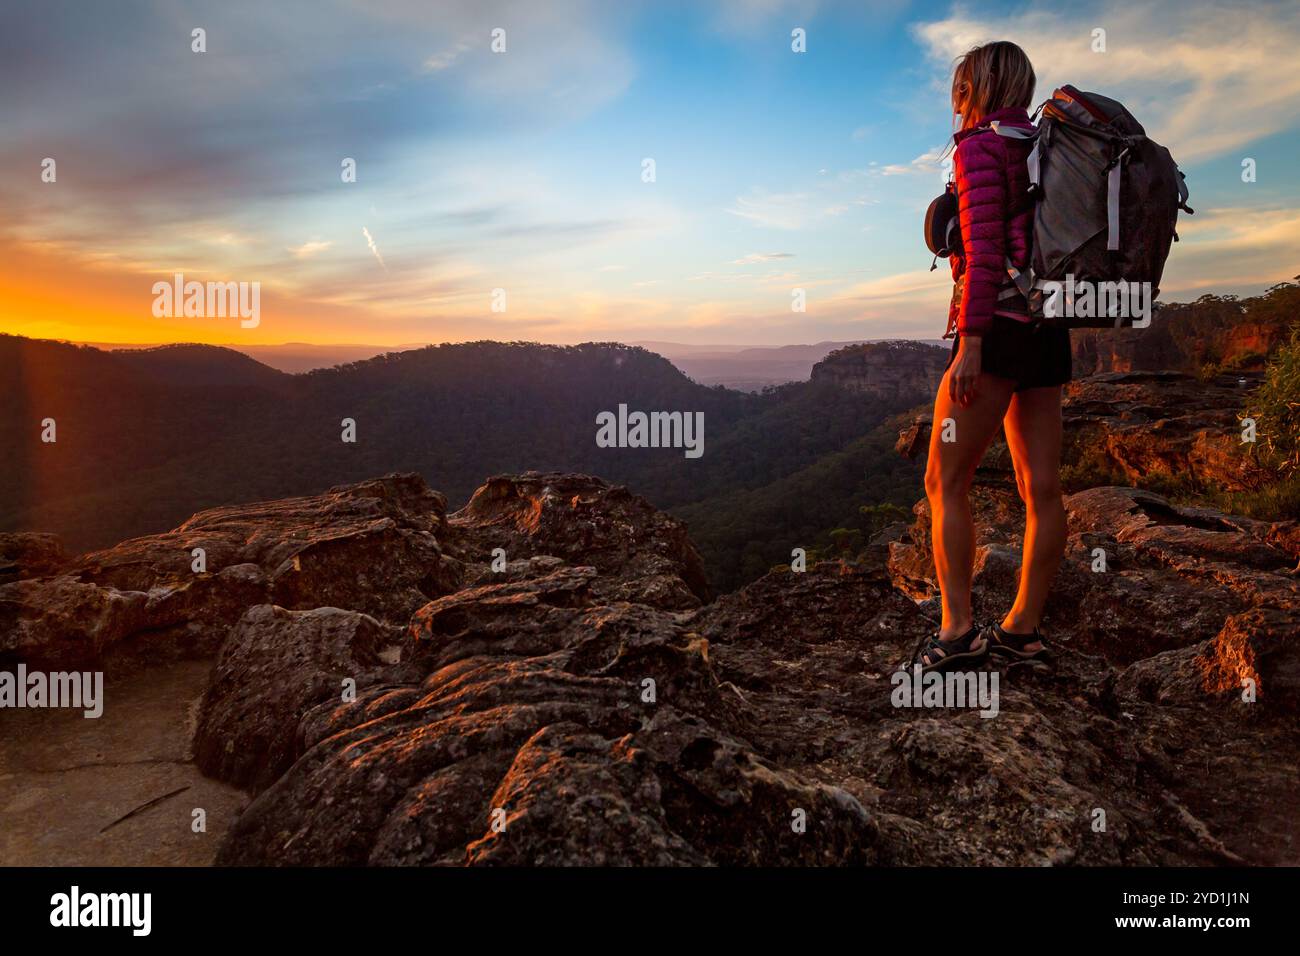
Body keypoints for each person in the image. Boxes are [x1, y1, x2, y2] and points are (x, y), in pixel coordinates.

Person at [911, 40, 1068, 673]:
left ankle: (956, 635)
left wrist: (970, 347)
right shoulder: (1045, 146)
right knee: (1043, 489)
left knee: (943, 480)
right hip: (1048, 328)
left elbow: (980, 256)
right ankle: (1022, 632)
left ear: (973, 88)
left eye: (960, 85)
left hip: (996, 330)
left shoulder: (980, 148)